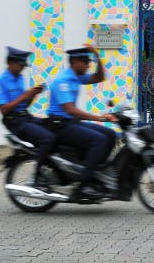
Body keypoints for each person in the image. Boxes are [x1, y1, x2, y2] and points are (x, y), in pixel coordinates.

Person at [47, 44, 117, 199]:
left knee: (111, 134)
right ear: (75, 62)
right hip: (60, 125)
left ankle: (94, 170)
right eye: (86, 61)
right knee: (99, 140)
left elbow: (100, 77)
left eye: (89, 61)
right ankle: (84, 185)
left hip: (71, 123)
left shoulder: (76, 77)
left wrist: (97, 56)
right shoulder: (62, 81)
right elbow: (71, 110)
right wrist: (100, 118)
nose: (88, 64)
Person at [0, 46, 56, 190]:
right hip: (15, 123)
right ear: (10, 63)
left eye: (23, 66)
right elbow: (4, 109)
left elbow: (24, 105)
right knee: (47, 138)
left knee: (56, 126)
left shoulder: (19, 78)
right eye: (20, 65)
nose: (22, 68)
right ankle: (37, 176)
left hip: (26, 117)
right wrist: (24, 96)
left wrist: (33, 95)